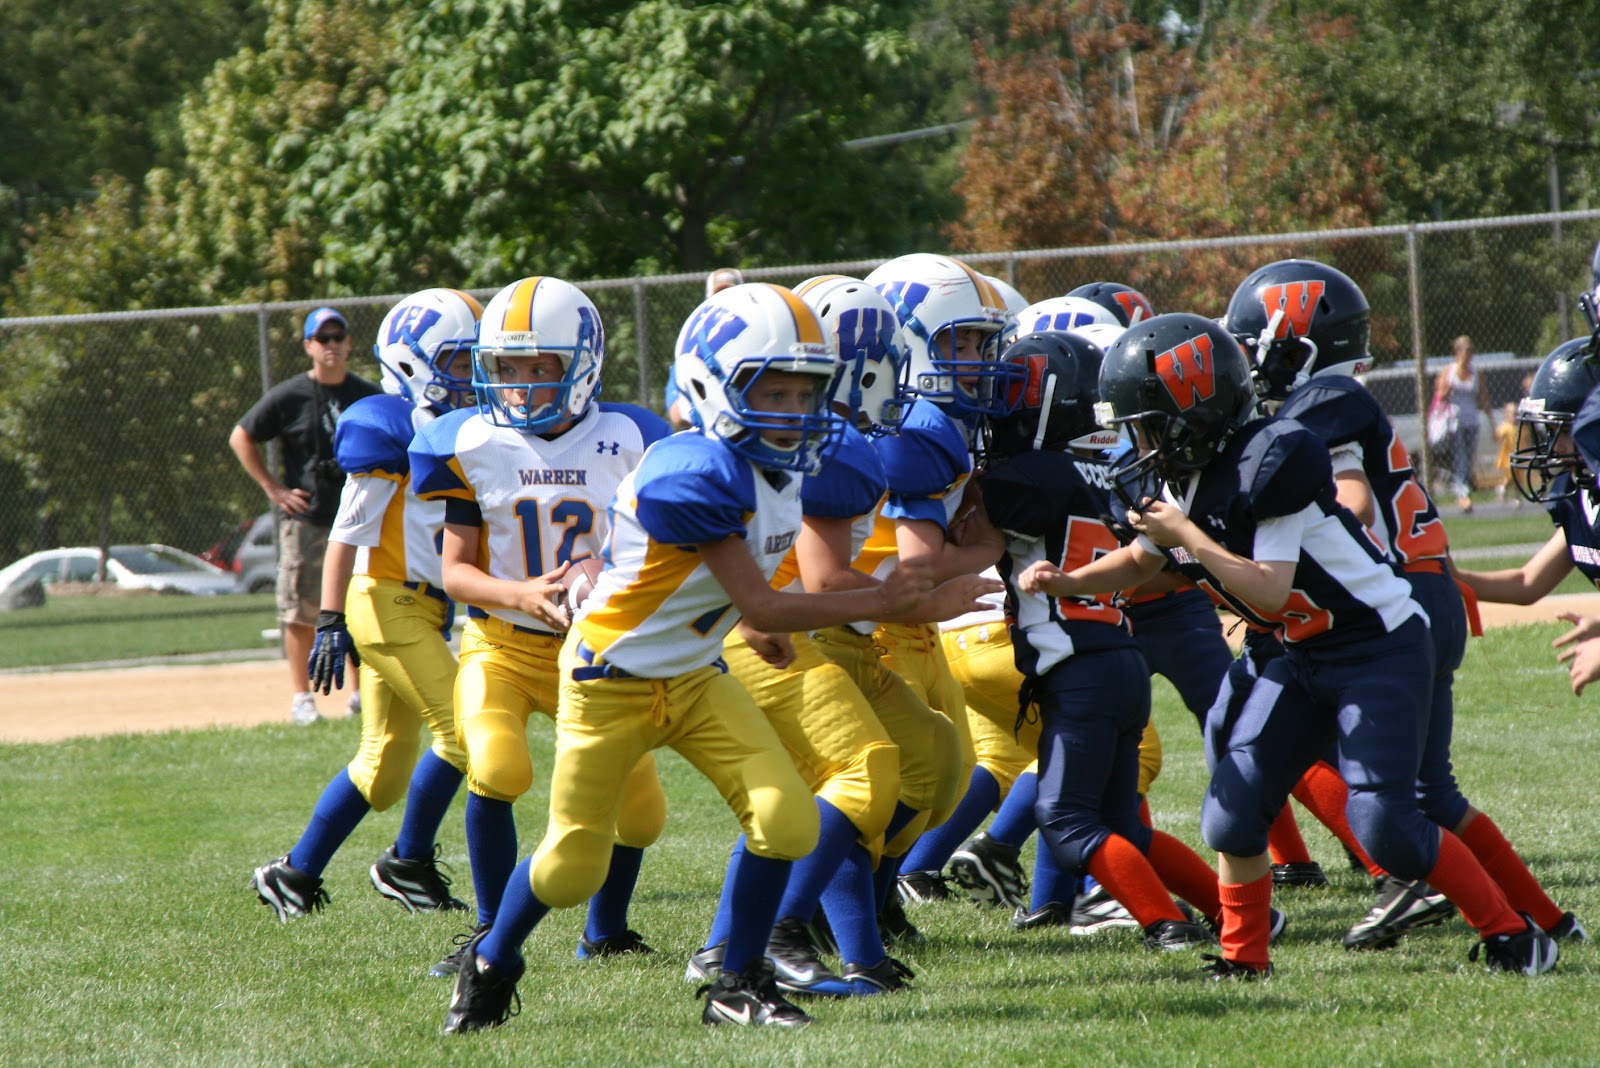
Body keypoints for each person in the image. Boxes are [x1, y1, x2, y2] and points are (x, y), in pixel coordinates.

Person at [439, 282, 978, 1034]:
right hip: (610, 680)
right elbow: (759, 597)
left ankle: (736, 980)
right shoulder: (691, 469)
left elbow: (729, 594)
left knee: (785, 821)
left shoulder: (784, 466)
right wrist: (884, 602)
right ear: (709, 383)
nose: (793, 410)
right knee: (572, 866)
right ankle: (493, 959)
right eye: (774, 391)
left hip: (693, 675)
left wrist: (757, 627)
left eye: (805, 391)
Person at [1024, 312, 1557, 979]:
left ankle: (1514, 933)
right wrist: (1070, 579)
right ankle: (1243, 958)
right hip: (1303, 654)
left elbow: (1269, 590)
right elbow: (1139, 561)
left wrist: (1189, 536)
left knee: (1385, 819)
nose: (1139, 441)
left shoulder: (1268, 461)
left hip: (1379, 647)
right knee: (1233, 811)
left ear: (1194, 414)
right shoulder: (1186, 480)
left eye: (1147, 423)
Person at [1227, 259, 1581, 952]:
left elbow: (1353, 502)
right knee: (1431, 793)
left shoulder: (1323, 402)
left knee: (1350, 768)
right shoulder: (1332, 396)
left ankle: (1408, 878)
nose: (1245, 362)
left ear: (1294, 342)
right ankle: (1546, 917)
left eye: (1251, 344)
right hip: (1427, 592)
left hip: (1389, 606)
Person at [409, 276, 672, 977]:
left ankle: (606, 929)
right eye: (506, 368)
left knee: (640, 810)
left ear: (581, 364)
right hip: (501, 644)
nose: (521, 385)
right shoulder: (468, 441)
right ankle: (490, 932)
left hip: (597, 650)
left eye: (539, 367)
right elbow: (456, 573)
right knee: (497, 767)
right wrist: (521, 595)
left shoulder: (632, 438)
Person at [250, 289, 482, 922]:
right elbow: (347, 534)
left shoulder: (468, 427)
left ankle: (294, 874)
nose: (473, 375)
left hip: (424, 608)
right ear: (414, 364)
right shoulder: (388, 428)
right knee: (467, 732)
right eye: (459, 362)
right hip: (386, 603)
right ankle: (406, 863)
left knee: (381, 770)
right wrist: (328, 620)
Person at [230, 306, 382, 725]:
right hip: (309, 521)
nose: (332, 346)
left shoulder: (366, 394)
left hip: (358, 521)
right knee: (300, 610)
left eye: (339, 338)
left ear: (349, 343)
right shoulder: (292, 395)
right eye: (323, 339)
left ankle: (360, 694)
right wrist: (274, 489)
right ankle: (303, 698)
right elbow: (241, 435)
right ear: (309, 346)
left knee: (358, 606)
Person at [1433, 334, 1491, 511]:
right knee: (1460, 457)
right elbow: (1440, 396)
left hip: (1472, 420)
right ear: (1457, 351)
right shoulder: (1448, 371)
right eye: (1466, 350)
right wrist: (1448, 388)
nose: (1469, 354)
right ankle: (1463, 495)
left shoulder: (1476, 373)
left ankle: (1463, 489)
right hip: (1455, 421)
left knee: (1469, 457)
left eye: (1471, 350)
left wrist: (1492, 422)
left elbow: (1483, 398)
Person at [1494, 401, 1518, 505]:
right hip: (1508, 457)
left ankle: (1515, 496)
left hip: (1517, 456)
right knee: (1511, 476)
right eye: (1512, 414)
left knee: (1517, 478)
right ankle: (1502, 488)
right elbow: (1498, 435)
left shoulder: (1518, 427)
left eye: (1516, 414)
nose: (1514, 417)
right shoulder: (1505, 426)